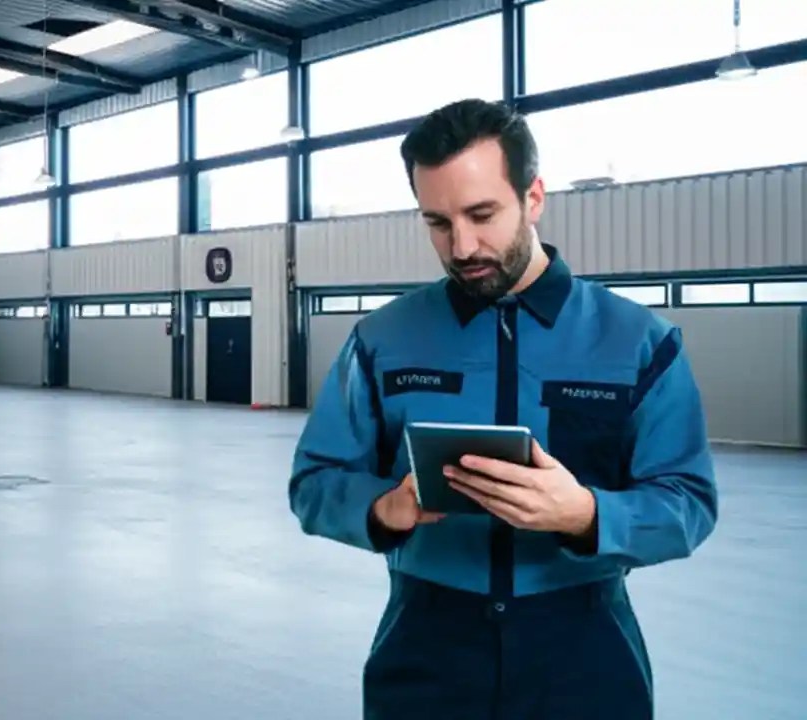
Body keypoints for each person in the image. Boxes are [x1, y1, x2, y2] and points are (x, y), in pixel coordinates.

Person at [287, 98, 718, 720]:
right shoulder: (382, 340)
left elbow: (688, 503)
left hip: (583, 648)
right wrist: (383, 509)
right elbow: (316, 480)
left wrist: (587, 514)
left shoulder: (638, 342)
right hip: (425, 645)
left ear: (534, 197)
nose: (461, 246)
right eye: (437, 222)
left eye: (481, 214)